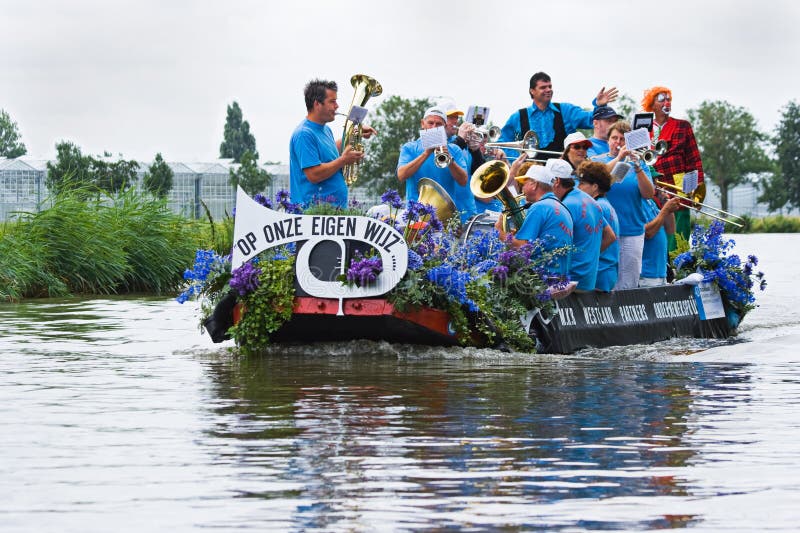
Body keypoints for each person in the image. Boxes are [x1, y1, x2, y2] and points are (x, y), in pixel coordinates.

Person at [289, 79, 376, 208]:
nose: (337, 106)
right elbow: (314, 174)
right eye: (332, 101)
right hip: (314, 215)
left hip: (330, 214)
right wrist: (343, 160)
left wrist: (356, 134)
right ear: (317, 104)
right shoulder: (304, 134)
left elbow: (327, 152)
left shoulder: (325, 129)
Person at [497, 71, 618, 159]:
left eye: (550, 86)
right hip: (529, 176)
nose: (548, 89)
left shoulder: (566, 110)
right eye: (543, 87)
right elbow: (502, 143)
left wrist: (598, 105)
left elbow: (591, 120)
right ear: (532, 91)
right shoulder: (518, 116)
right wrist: (518, 160)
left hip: (562, 176)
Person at [641, 86, 705, 250]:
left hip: (679, 187)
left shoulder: (682, 126)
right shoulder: (642, 128)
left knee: (679, 235)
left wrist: (697, 191)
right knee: (653, 231)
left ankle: (678, 267)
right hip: (651, 188)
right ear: (652, 104)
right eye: (662, 99)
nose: (667, 102)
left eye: (669, 99)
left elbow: (694, 159)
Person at [597, 120, 656, 290]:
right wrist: (619, 158)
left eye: (622, 139)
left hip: (633, 231)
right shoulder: (600, 163)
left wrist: (637, 167)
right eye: (614, 138)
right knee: (607, 280)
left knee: (629, 283)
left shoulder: (640, 164)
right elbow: (599, 181)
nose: (618, 142)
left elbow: (648, 194)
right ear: (608, 141)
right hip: (607, 231)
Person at [397, 106, 475, 223]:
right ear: (423, 124)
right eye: (430, 123)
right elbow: (401, 175)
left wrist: (449, 159)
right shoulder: (409, 148)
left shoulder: (454, 150)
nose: (434, 127)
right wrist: (427, 152)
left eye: (438, 124)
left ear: (444, 127)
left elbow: (463, 181)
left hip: (445, 216)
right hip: (415, 216)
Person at [495, 165, 573, 279]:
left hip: (542, 280)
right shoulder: (561, 206)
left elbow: (522, 248)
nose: (522, 188)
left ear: (534, 184)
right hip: (557, 278)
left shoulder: (539, 207)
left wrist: (500, 233)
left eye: (524, 183)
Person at [549, 158, 615, 291]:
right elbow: (610, 236)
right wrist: (589, 256)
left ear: (556, 181)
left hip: (571, 282)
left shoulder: (566, 205)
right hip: (588, 281)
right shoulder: (592, 201)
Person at [575, 160, 620, 292]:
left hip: (600, 273)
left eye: (582, 184)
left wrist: (588, 257)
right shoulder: (605, 204)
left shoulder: (598, 207)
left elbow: (609, 237)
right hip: (606, 273)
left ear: (595, 187)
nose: (579, 188)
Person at [640, 190, 681, 287]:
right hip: (646, 272)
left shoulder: (650, 202)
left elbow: (670, 229)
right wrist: (665, 210)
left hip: (661, 271)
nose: (657, 184)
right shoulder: (638, 203)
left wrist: (665, 204)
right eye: (653, 180)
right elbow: (648, 233)